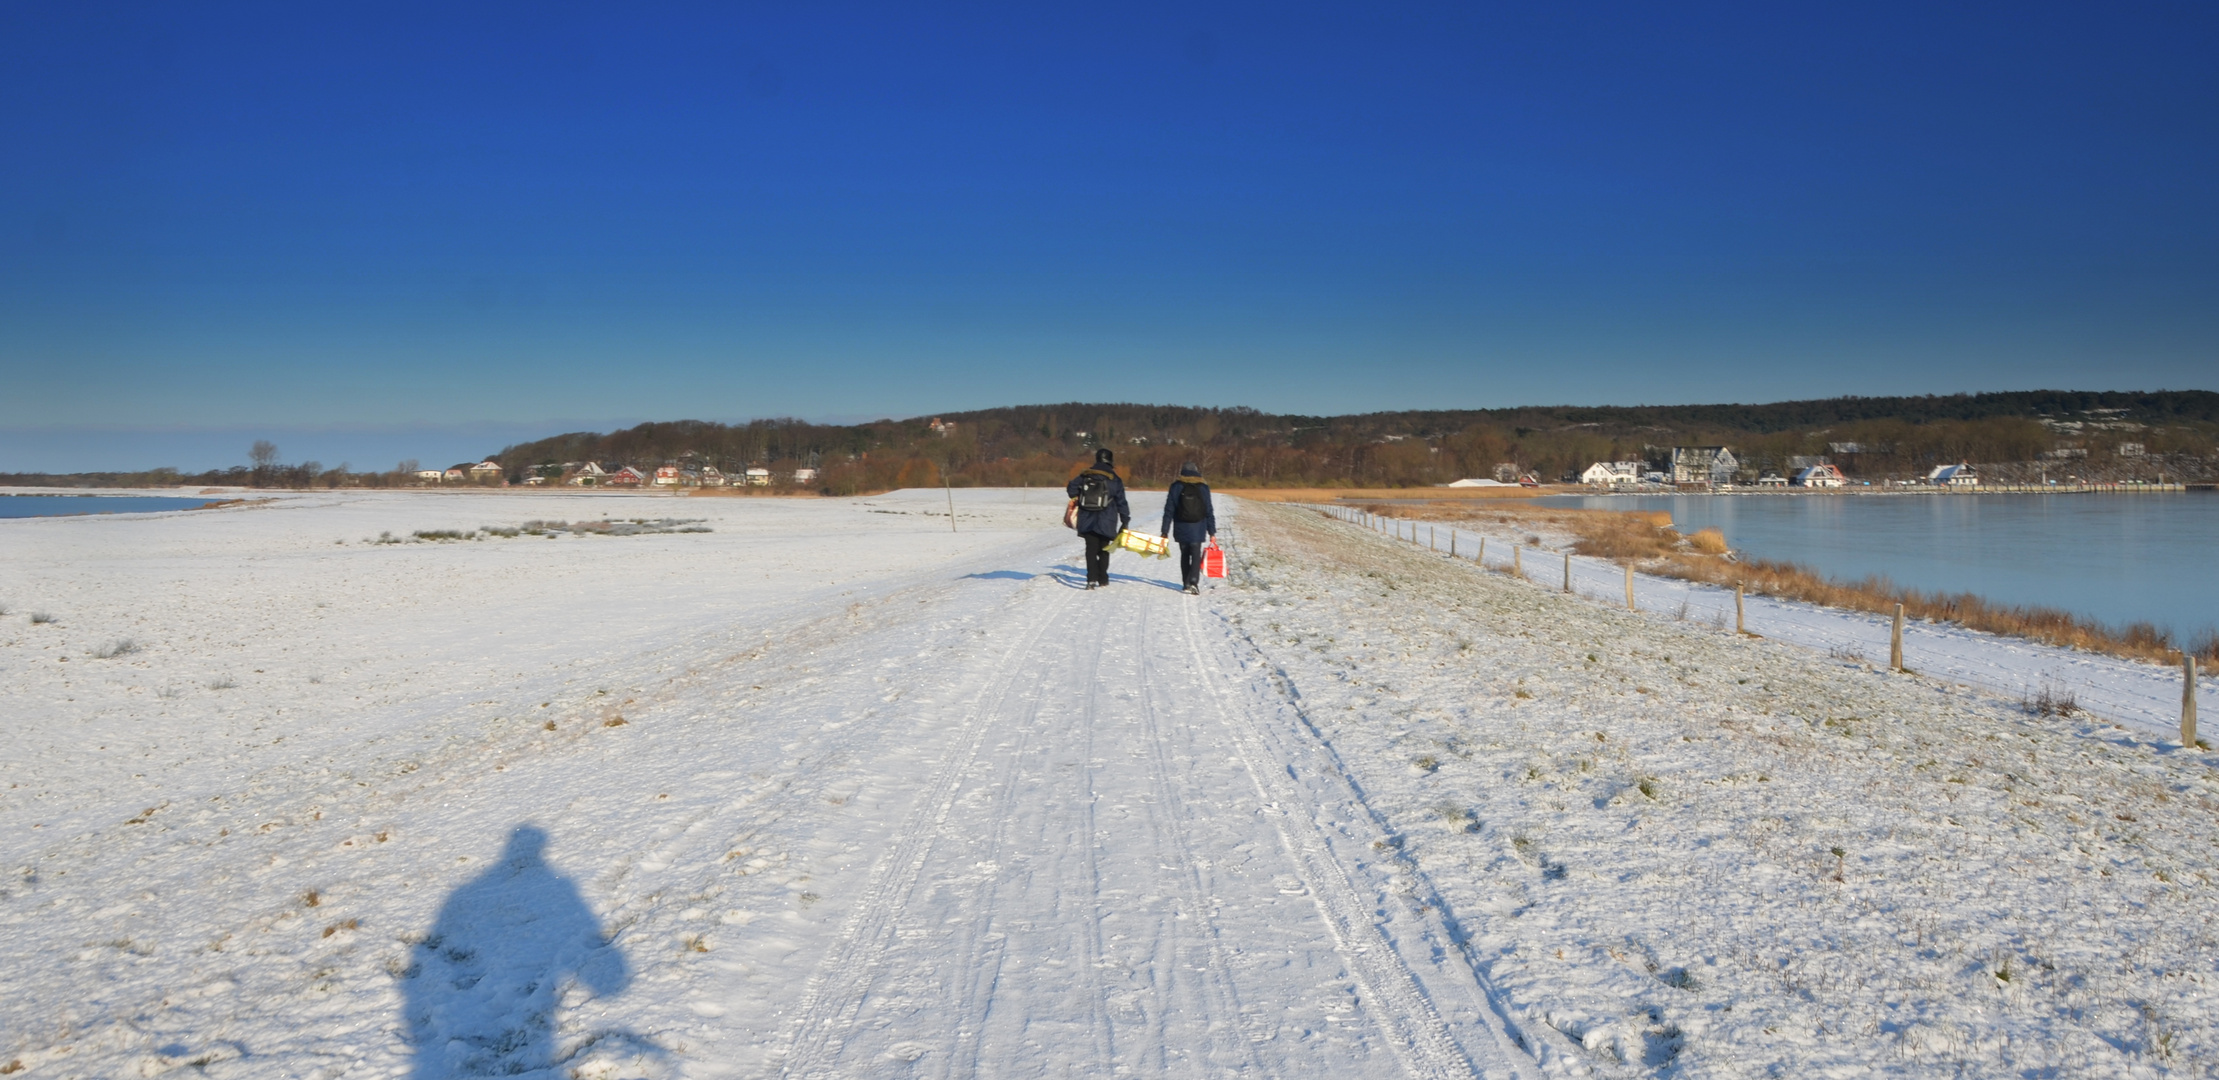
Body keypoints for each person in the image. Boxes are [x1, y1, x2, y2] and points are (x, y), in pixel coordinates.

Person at [1066, 448, 1130, 589]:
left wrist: (1079, 496)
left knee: (1090, 549)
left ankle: (1091, 580)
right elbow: (1121, 501)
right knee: (1104, 549)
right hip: (1107, 519)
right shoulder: (1114, 479)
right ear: (1110, 461)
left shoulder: (1085, 476)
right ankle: (1103, 578)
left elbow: (1071, 489)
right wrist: (1125, 520)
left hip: (1087, 518)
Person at [1160, 462, 1217, 594]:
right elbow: (1209, 510)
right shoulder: (1203, 487)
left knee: (1184, 554)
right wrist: (1212, 531)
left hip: (1181, 525)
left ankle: (1185, 582)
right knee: (1196, 554)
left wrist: (1164, 530)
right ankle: (1193, 582)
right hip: (1198, 526)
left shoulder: (1176, 486)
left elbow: (1169, 509)